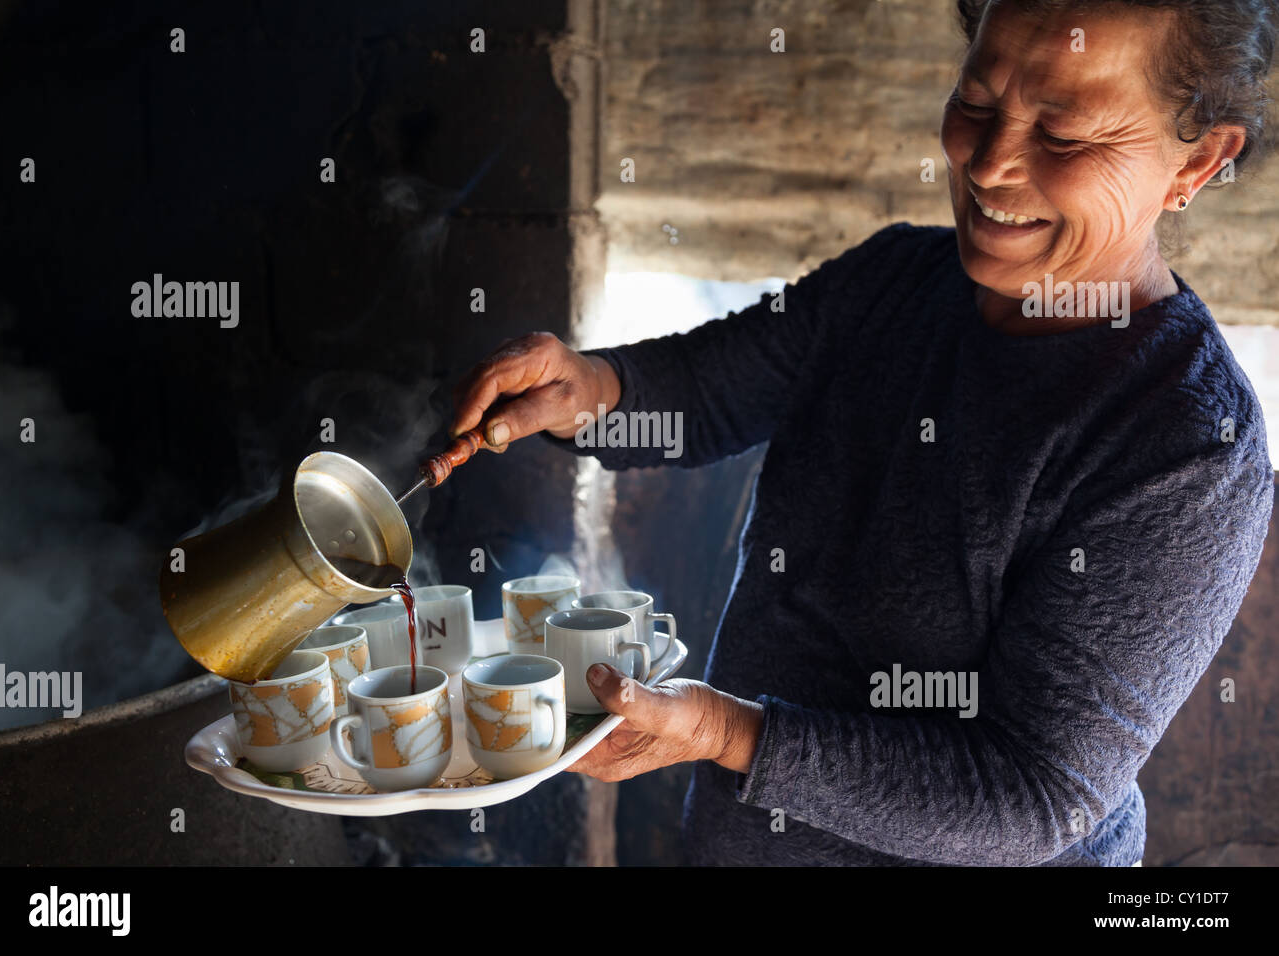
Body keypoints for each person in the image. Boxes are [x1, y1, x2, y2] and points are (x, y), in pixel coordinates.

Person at [448, 0, 1275, 865]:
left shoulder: (1186, 445)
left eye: (1064, 138)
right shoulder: (893, 282)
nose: (989, 164)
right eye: (978, 105)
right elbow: (702, 392)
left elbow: (1033, 795)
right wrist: (585, 388)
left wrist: (731, 735)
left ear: (1200, 160)